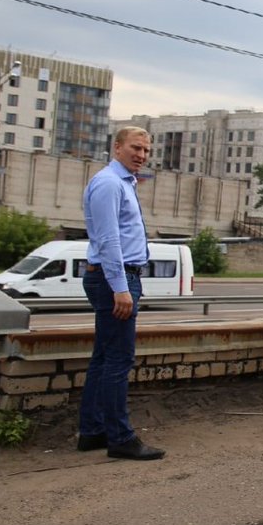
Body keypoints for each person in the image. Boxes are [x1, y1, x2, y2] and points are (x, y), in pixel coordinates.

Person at [79, 125, 166, 460]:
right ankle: (120, 438)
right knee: (118, 360)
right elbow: (108, 240)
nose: (141, 155)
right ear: (117, 148)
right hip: (114, 279)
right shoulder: (108, 183)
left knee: (103, 358)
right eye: (135, 148)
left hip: (117, 278)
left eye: (146, 150)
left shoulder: (123, 183)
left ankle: (93, 431)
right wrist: (120, 288)